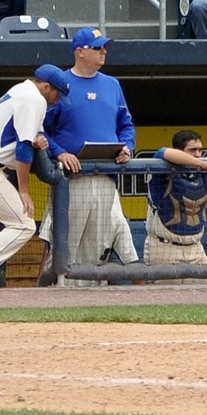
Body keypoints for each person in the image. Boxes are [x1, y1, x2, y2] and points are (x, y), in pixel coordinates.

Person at [40, 27, 139, 286]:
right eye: (97, 47)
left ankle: (92, 299)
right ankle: (54, 294)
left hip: (106, 175)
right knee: (64, 243)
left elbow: (126, 125)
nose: (103, 51)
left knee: (98, 245)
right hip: (71, 179)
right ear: (80, 52)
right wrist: (59, 152)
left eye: (105, 47)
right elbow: (40, 129)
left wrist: (127, 147)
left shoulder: (112, 84)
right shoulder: (60, 82)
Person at [0, 65, 69, 291]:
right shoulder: (33, 99)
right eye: (57, 93)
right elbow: (24, 148)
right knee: (23, 224)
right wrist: (23, 190)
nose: (58, 99)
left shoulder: (21, 91)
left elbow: (33, 135)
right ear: (46, 86)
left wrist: (40, 139)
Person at [143, 130, 207, 283]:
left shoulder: (205, 166)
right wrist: (204, 164)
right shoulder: (162, 165)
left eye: (200, 150)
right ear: (179, 150)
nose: (198, 154)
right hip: (164, 247)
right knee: (165, 297)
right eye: (192, 150)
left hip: (196, 248)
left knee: (205, 296)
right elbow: (163, 152)